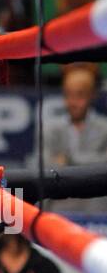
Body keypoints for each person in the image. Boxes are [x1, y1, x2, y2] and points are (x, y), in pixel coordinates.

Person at [42, 63, 107, 216]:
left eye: (79, 95)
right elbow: (44, 165)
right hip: (59, 209)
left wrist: (69, 160)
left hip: (98, 212)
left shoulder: (105, 128)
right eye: (68, 94)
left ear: (92, 95)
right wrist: (92, 165)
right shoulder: (50, 128)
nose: (72, 102)